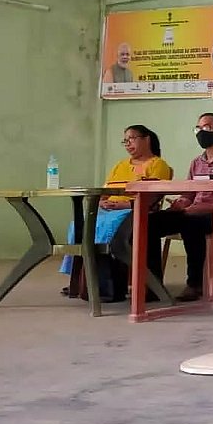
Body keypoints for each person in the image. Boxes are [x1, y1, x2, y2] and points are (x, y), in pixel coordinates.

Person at [62, 125, 172, 301]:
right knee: (79, 225)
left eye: (132, 139)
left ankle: (105, 280)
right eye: (125, 141)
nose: (128, 144)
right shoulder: (120, 165)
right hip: (109, 209)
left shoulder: (157, 164)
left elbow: (152, 197)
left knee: (111, 224)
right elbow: (105, 191)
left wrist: (123, 205)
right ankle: (84, 278)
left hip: (132, 210)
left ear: (147, 139)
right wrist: (102, 202)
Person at [139, 113, 213, 301]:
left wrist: (201, 208)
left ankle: (194, 284)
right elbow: (188, 195)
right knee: (150, 222)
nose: (201, 132)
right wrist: (181, 202)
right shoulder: (196, 162)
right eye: (198, 128)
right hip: (191, 212)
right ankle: (153, 286)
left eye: (206, 127)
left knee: (191, 224)